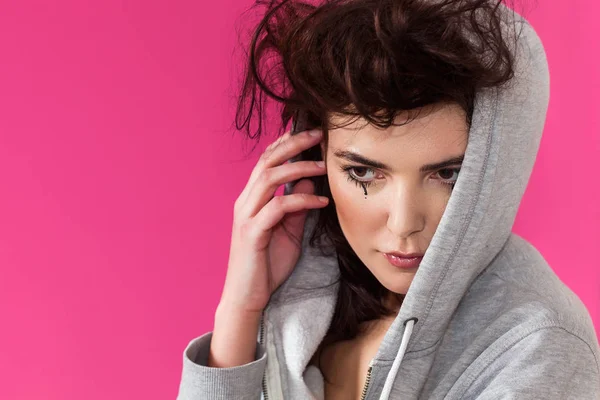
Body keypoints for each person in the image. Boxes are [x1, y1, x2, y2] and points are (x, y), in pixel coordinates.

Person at [177, 0, 600, 399]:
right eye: (363, 172)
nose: (403, 224)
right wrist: (241, 310)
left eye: (447, 175)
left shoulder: (537, 346)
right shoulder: (307, 300)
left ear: (498, 169)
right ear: (316, 159)